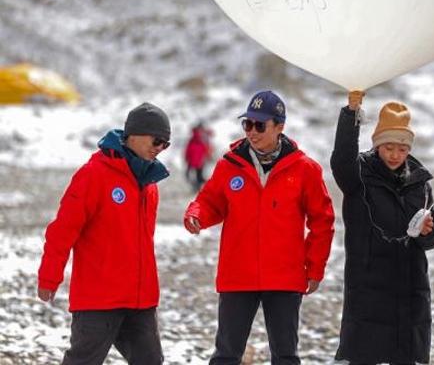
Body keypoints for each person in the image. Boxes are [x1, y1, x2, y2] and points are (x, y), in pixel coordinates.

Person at [183, 90, 335, 365]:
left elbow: (322, 221)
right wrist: (196, 215)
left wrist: (315, 268)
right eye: (247, 124)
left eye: (260, 125)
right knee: (226, 354)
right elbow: (210, 202)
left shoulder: (305, 170)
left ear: (279, 126)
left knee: (286, 355)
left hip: (285, 276)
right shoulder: (228, 165)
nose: (251, 132)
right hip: (237, 273)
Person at [37, 102, 171, 365]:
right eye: (156, 141)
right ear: (133, 134)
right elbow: (62, 231)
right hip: (98, 299)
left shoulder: (150, 184)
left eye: (165, 144)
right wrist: (49, 276)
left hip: (140, 300)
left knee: (151, 361)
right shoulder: (93, 175)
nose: (160, 149)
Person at [331, 91, 434, 365]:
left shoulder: (420, 182)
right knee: (361, 356)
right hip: (368, 286)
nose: (395, 154)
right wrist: (351, 112)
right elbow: (341, 158)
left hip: (409, 288)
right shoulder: (358, 174)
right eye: (389, 147)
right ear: (377, 145)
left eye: (402, 149)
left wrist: (429, 233)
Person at [184, 121, 213, 192]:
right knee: (198, 176)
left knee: (192, 176)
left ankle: (197, 187)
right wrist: (208, 156)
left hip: (193, 161)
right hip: (199, 162)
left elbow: (187, 150)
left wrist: (186, 158)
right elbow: (206, 149)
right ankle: (200, 186)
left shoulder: (194, 140)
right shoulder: (202, 139)